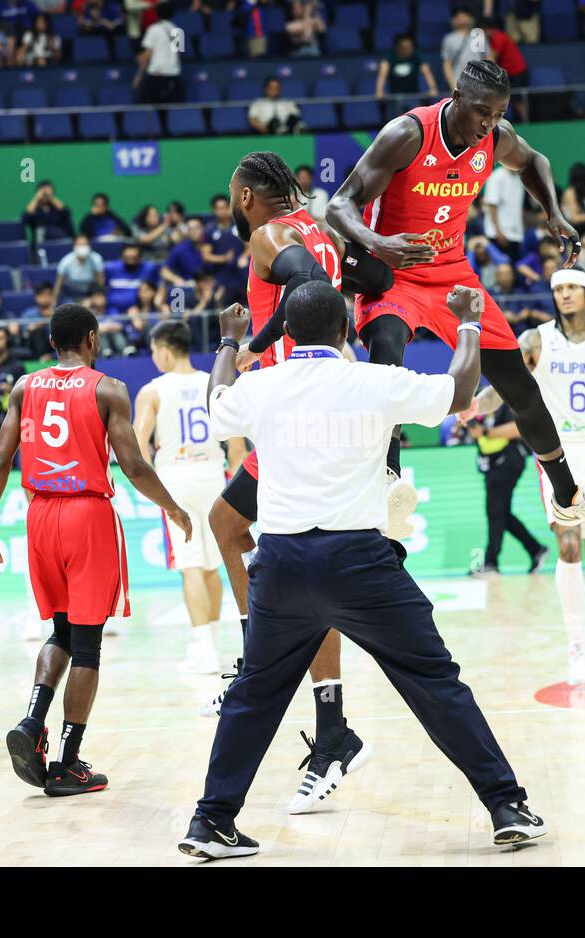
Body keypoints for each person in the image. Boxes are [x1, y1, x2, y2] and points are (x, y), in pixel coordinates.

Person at [178, 282, 548, 859]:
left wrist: (229, 340)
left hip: (280, 564)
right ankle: (505, 805)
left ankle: (211, 820)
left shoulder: (263, 384)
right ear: (347, 332)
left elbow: (216, 401)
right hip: (358, 563)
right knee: (432, 681)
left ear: (288, 334)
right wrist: (470, 324)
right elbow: (460, 392)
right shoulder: (375, 381)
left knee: (254, 693)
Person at [326, 60, 585, 542]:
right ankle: (386, 486)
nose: (487, 125)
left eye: (497, 115)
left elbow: (535, 162)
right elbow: (339, 204)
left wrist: (552, 212)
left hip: (453, 273)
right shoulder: (407, 133)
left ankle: (568, 497)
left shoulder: (494, 138)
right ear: (454, 97)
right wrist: (378, 241)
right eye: (480, 113)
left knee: (519, 384)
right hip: (396, 273)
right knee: (387, 356)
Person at [207, 152, 376, 815]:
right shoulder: (323, 230)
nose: (231, 205)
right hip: (322, 403)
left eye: (231, 195)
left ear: (248, 195)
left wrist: (255, 344)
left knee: (304, 566)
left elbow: (311, 288)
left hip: (297, 406)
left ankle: (329, 726)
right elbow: (367, 277)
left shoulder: (269, 236)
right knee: (233, 527)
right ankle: (322, 717)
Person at [0, 304, 190, 797]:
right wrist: (175, 509)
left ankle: (33, 724)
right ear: (92, 340)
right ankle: (68, 762)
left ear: (54, 343)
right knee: (89, 644)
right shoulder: (108, 388)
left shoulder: (23, 386)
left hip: (39, 516)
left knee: (60, 629)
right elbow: (135, 467)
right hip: (86, 514)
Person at [465, 268, 585, 684]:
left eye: (572, 287)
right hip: (557, 452)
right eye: (559, 289)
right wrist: (474, 405)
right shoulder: (536, 338)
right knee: (568, 546)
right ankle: (576, 648)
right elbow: (507, 387)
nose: (565, 295)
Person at [134, 321, 242, 673]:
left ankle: (203, 648)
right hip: (213, 473)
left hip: (176, 479)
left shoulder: (152, 391)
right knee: (212, 564)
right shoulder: (214, 383)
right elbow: (237, 444)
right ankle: (210, 642)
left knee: (190, 565)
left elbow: (137, 449)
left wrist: (153, 488)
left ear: (164, 350)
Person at [462, 401, 547, 577]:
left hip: (508, 462)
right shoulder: (484, 400)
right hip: (492, 463)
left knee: (495, 511)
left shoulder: (509, 398)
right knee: (501, 514)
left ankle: (491, 562)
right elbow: (475, 428)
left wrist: (485, 432)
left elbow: (518, 428)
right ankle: (535, 549)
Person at [135, 0, 183, 104]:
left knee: (150, 111)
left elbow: (147, 55)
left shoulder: (153, 29)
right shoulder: (178, 31)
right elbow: (178, 54)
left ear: (157, 13)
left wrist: (138, 76)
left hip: (157, 77)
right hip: (174, 78)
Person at [376, 33, 438, 102]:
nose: (409, 49)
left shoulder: (417, 55)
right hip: (395, 96)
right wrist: (379, 91)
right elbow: (382, 75)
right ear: (397, 48)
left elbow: (427, 72)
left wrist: (433, 88)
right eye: (405, 48)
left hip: (413, 95)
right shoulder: (388, 57)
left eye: (410, 46)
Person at [53, 235, 105, 301]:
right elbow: (58, 285)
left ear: (89, 246)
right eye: (80, 245)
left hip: (90, 294)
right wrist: (53, 303)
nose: (82, 247)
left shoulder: (96, 259)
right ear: (74, 246)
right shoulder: (66, 261)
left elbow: (100, 283)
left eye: (85, 244)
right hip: (71, 294)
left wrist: (96, 298)